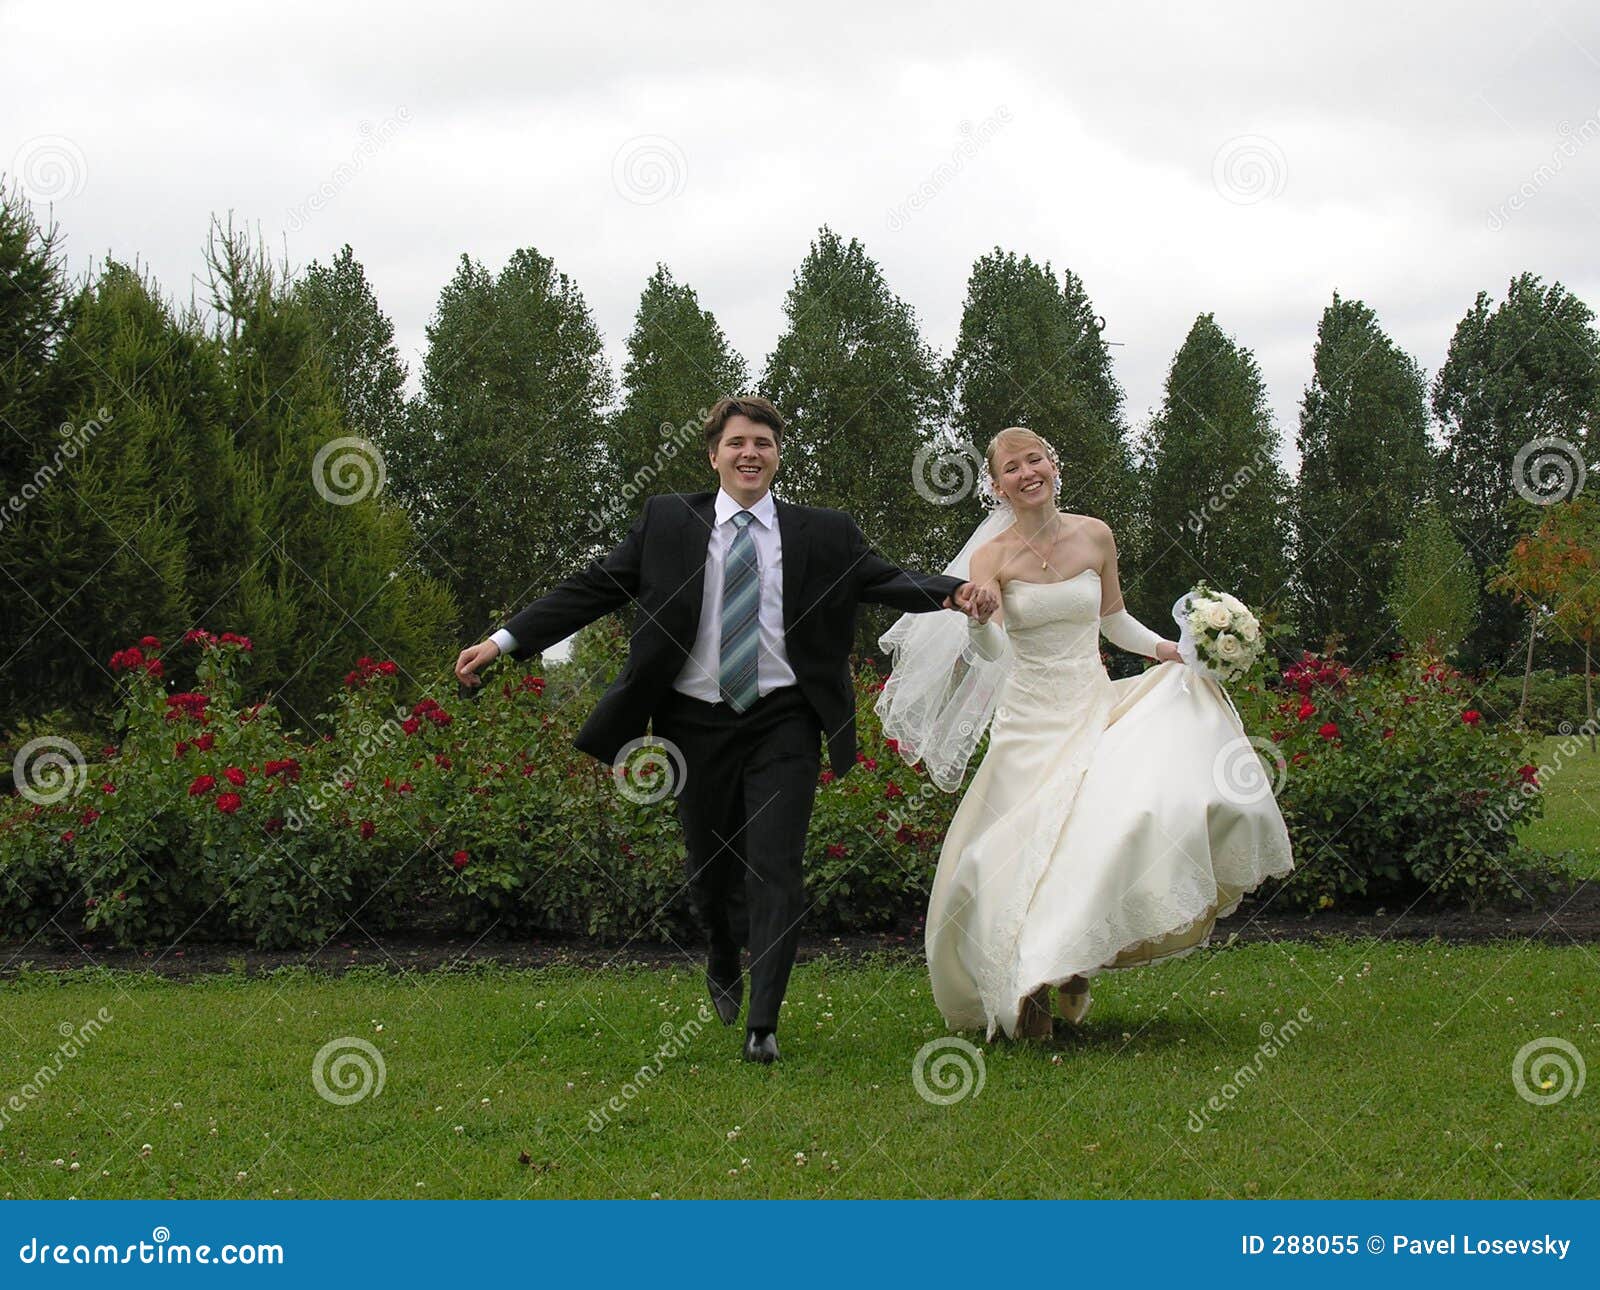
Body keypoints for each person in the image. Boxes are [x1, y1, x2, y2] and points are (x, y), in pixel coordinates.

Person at [454, 396, 998, 1062]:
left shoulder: (823, 533)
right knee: (709, 870)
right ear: (713, 454)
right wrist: (505, 640)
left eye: (763, 443)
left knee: (777, 865)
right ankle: (719, 949)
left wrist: (952, 591)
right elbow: (594, 587)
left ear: (776, 456)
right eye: (737, 442)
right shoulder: (666, 522)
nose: (750, 453)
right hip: (692, 721)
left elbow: (884, 579)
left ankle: (763, 1025)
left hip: (784, 718)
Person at [876, 426, 1295, 1041]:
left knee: (1098, 835)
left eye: (1035, 459)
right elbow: (990, 649)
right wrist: (978, 620)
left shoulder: (1095, 534)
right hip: (1027, 722)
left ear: (1053, 466)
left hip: (1091, 707)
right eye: (1012, 467)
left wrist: (1170, 651)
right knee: (1010, 854)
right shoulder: (991, 556)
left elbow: (1114, 621)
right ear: (996, 486)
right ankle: (1030, 983)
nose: (1027, 473)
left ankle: (1064, 961)